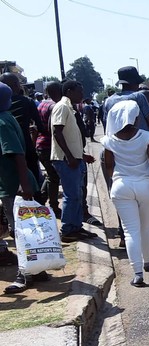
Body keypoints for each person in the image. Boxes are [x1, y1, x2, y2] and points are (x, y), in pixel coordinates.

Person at [102, 100, 149, 287]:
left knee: (130, 231)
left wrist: (117, 181)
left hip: (121, 186)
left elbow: (109, 166)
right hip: (145, 186)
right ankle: (148, 261)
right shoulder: (146, 136)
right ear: (133, 117)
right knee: (147, 226)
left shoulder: (109, 140)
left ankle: (138, 273)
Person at [0, 81, 50, 293]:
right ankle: (37, 270)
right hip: (17, 182)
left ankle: (24, 275)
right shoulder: (7, 117)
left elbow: (17, 154)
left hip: (15, 185)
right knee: (28, 229)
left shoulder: (1, 122)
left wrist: (24, 184)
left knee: (18, 231)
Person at [51, 80, 97, 242]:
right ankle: (67, 229)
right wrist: (70, 156)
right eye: (79, 91)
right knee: (71, 196)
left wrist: (81, 155)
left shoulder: (70, 108)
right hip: (65, 160)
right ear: (69, 91)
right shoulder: (62, 107)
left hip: (74, 158)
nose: (82, 95)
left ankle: (76, 227)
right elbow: (57, 132)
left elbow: (71, 137)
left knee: (77, 194)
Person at [0, 73, 45, 202]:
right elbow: (40, 127)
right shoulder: (27, 102)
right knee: (32, 189)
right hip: (26, 148)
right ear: (15, 85)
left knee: (9, 192)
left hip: (5, 154)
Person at [35, 82, 62, 215]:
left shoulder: (42, 104)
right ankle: (53, 206)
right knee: (54, 177)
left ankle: (42, 201)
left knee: (51, 175)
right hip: (49, 145)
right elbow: (54, 130)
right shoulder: (54, 106)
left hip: (40, 144)